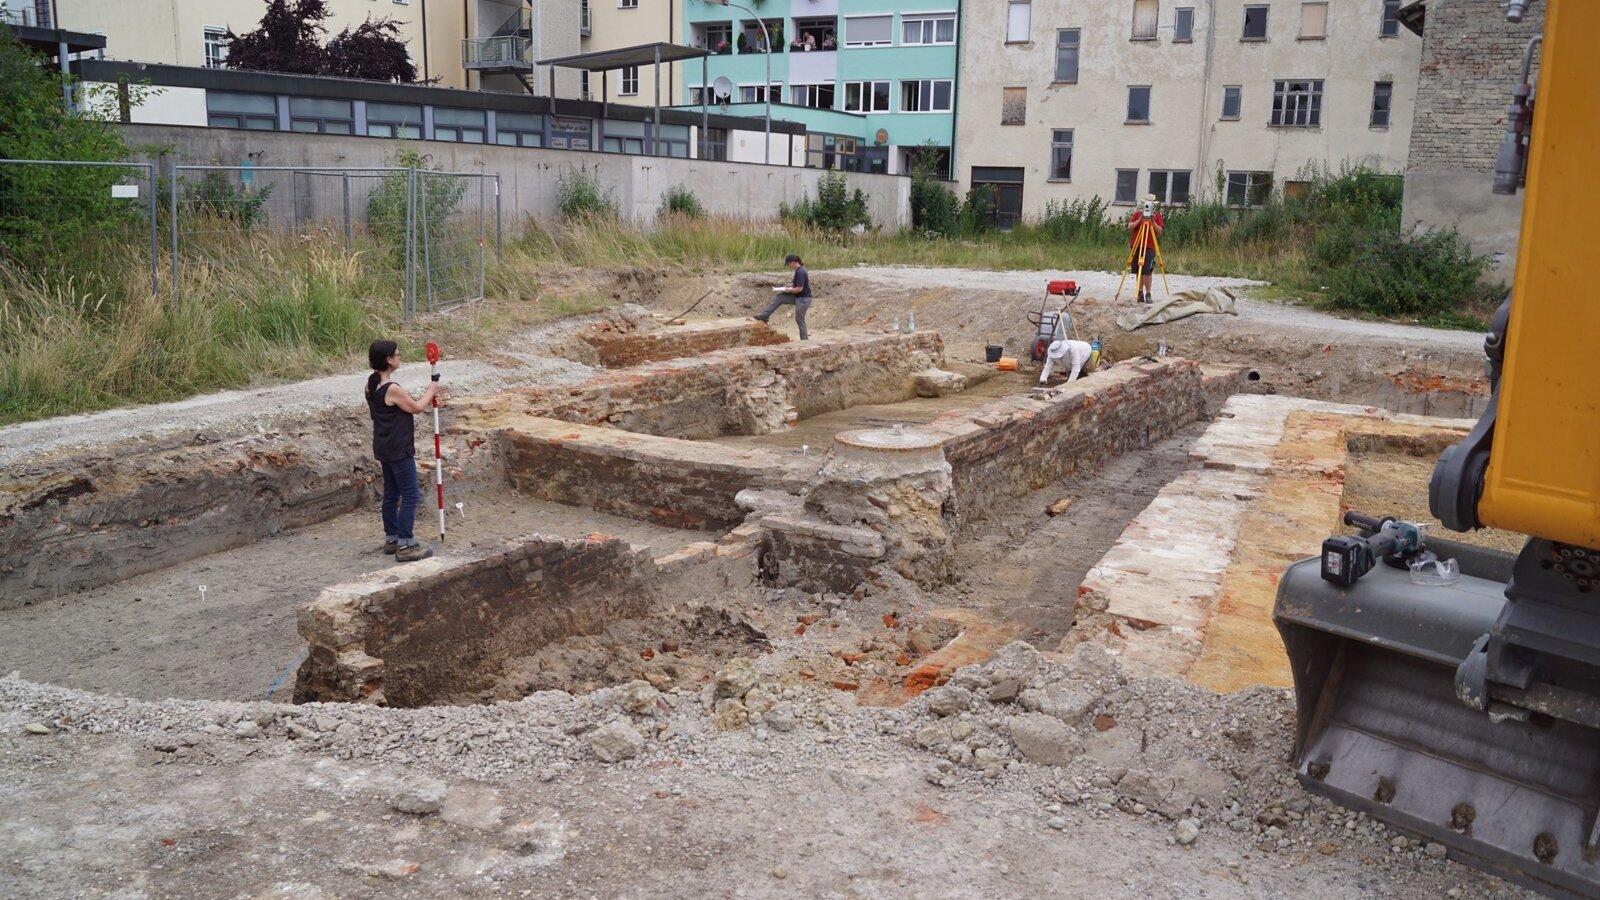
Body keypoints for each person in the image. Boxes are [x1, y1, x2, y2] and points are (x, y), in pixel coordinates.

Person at [365, 340, 443, 563]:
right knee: (410, 495)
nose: (400, 357)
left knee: (391, 494)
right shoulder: (392, 388)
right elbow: (416, 407)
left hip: (383, 447)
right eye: (397, 355)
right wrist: (431, 390)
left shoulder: (371, 385)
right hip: (398, 449)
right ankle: (406, 544)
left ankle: (392, 539)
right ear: (388, 359)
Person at [754, 253, 812, 340]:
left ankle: (804, 340)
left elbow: (799, 289)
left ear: (792, 262)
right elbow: (796, 285)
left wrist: (789, 290)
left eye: (788, 264)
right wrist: (788, 287)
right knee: (779, 298)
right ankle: (764, 316)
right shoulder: (798, 270)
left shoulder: (801, 271)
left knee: (799, 319)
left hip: (803, 299)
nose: (789, 266)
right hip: (798, 297)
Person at [1127, 194, 1165, 303]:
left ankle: (1148, 293)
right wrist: (1140, 220)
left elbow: (1160, 232)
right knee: (1138, 271)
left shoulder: (1157, 216)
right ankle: (1140, 293)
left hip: (1150, 247)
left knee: (1148, 271)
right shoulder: (1137, 214)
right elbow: (1130, 226)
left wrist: (1152, 222)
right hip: (1137, 245)